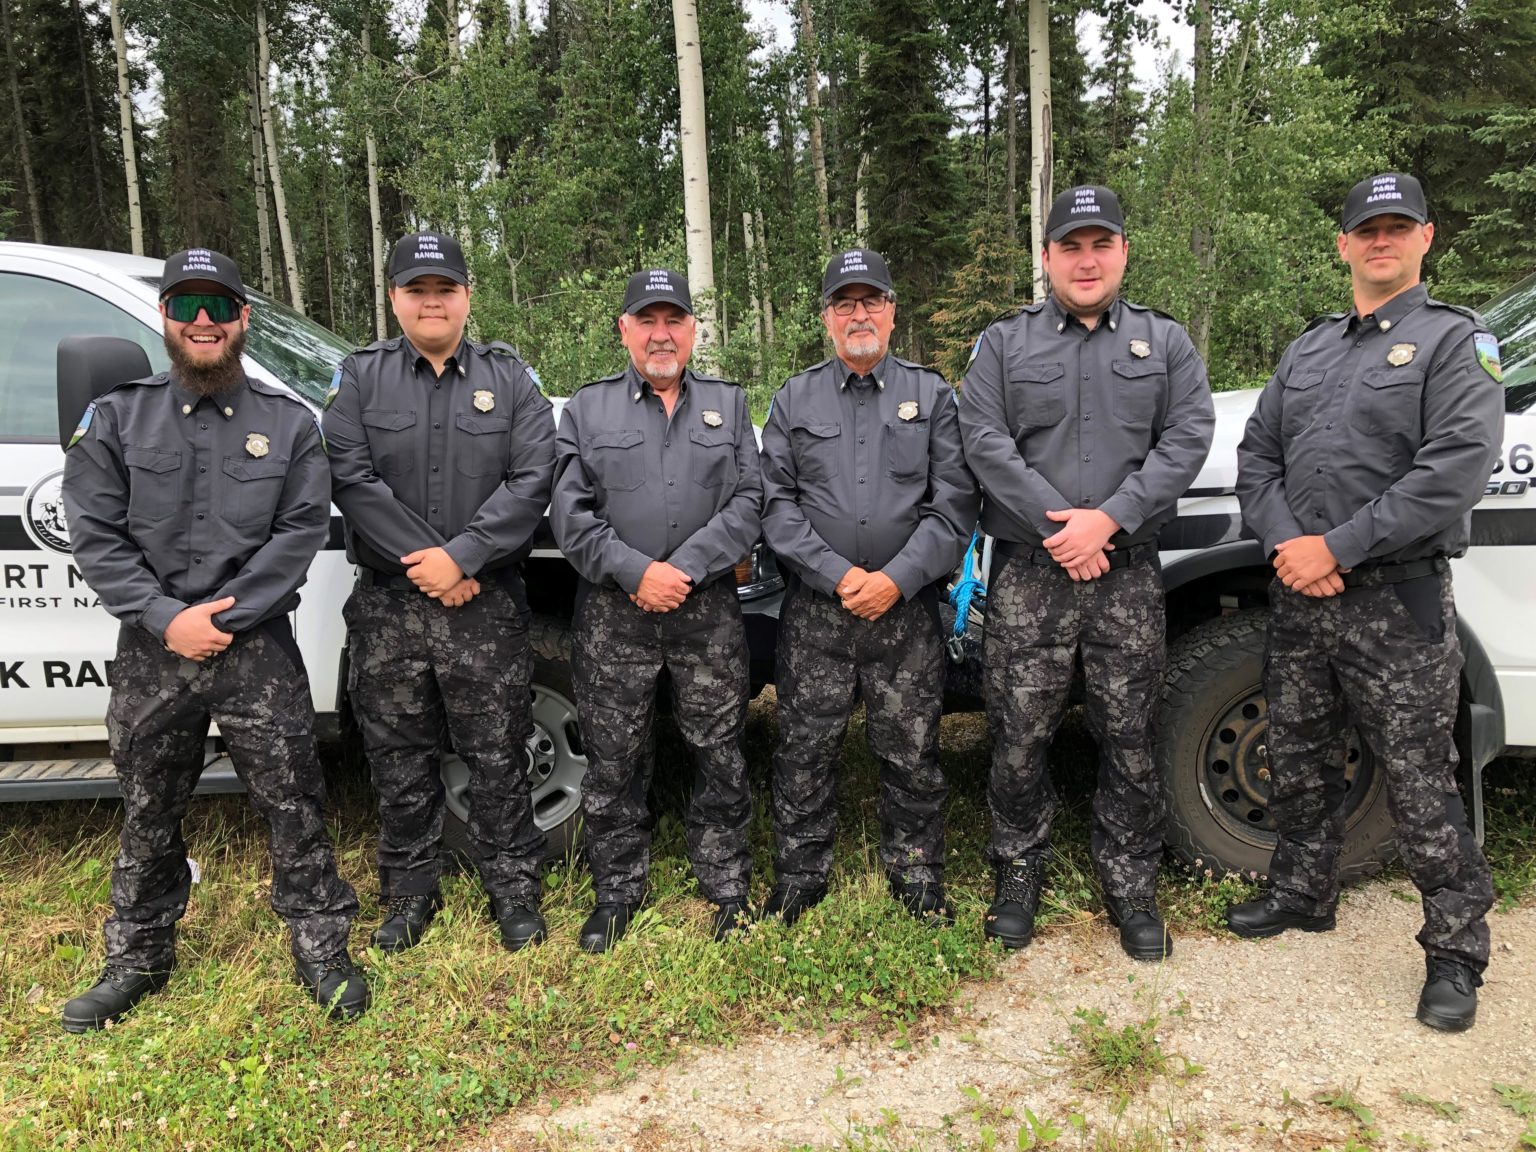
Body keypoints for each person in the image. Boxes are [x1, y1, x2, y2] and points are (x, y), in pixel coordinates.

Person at [60, 248, 366, 1030]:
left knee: (293, 796)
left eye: (219, 307)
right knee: (148, 804)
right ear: (165, 318)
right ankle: (137, 955)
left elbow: (298, 532)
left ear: (243, 320)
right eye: (187, 307)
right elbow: (95, 537)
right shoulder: (117, 418)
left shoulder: (290, 425)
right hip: (152, 650)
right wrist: (168, 619)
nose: (204, 322)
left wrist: (219, 621)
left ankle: (320, 944)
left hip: (254, 648)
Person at [1229, 173, 1502, 1031]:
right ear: (1344, 244)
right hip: (1301, 594)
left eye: (1398, 227)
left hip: (1396, 599)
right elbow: (1257, 455)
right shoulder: (1308, 351)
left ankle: (1456, 950)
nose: (1380, 241)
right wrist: (1289, 547)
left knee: (1421, 780)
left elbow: (1454, 469)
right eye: (1366, 229)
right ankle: (1303, 894)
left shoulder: (1456, 343)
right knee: (1301, 760)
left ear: (1426, 239)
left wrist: (1335, 549)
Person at [958, 186, 1215, 959]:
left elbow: (1188, 436)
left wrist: (1109, 519)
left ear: (1123, 252)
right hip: (1033, 573)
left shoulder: (1165, 344)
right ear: (1047, 259)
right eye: (1070, 246)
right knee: (1015, 735)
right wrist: (1059, 526)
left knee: (1130, 735)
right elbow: (983, 438)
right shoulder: (1004, 345)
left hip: (1126, 571)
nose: (1087, 259)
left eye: (1100, 243)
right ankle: (1017, 872)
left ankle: (1131, 886)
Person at [322, 232, 555, 954]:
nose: (431, 302)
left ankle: (513, 889)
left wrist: (462, 559)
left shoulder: (511, 379)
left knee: (497, 750)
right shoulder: (359, 379)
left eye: (444, 289)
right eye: (416, 290)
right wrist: (426, 562)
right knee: (399, 757)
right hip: (391, 605)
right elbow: (351, 477)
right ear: (394, 298)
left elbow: (532, 478)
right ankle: (409, 894)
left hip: (483, 602)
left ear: (465, 298)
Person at [759, 249, 977, 926]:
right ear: (827, 317)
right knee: (802, 750)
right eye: (845, 303)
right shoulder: (794, 398)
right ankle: (800, 875)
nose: (860, 314)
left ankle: (916, 875)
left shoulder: (934, 396)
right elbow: (775, 506)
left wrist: (896, 579)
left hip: (905, 612)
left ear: (890, 311)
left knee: (911, 751)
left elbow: (954, 506)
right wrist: (841, 576)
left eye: (871, 301)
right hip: (818, 614)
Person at [551, 269, 763, 951]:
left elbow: (751, 503)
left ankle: (727, 881)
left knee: (720, 749)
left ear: (693, 330)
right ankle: (616, 888)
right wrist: (639, 572)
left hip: (706, 611)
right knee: (614, 756)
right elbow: (568, 513)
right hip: (617, 613)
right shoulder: (586, 411)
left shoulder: (728, 408)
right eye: (647, 320)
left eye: (674, 320)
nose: (661, 333)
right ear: (624, 330)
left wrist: (685, 570)